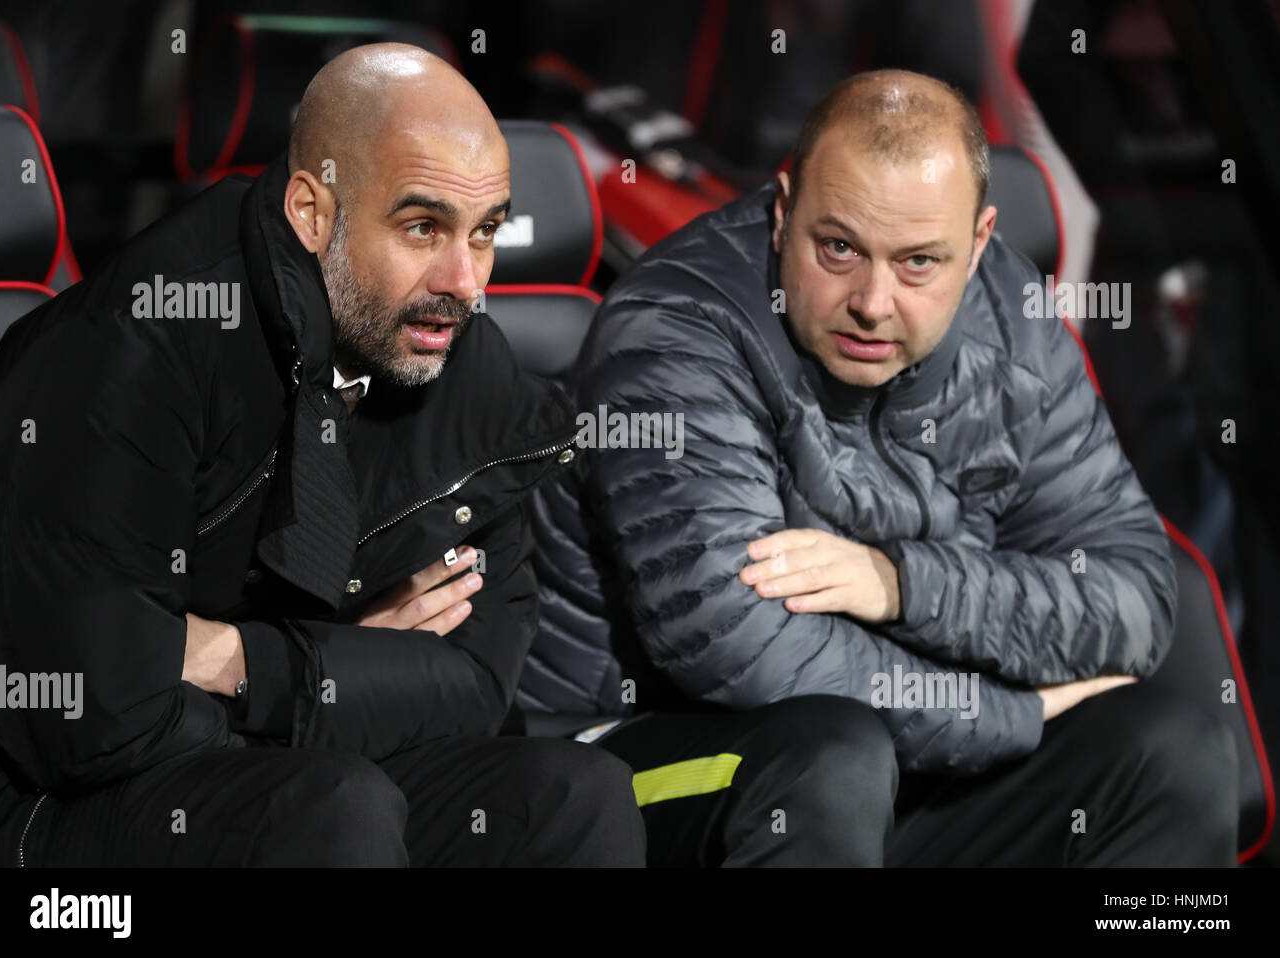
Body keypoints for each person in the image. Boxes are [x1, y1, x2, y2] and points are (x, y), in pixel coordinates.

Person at [520, 69, 1238, 866]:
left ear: (980, 243)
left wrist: (902, 583)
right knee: (832, 757)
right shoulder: (675, 332)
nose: (872, 299)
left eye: (920, 262)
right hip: (627, 758)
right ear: (784, 209)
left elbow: (1132, 599)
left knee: (1170, 752)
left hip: (895, 751)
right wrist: (1014, 717)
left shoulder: (1015, 322)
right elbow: (740, 644)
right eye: (838, 248)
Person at [0, 44, 645, 867]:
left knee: (574, 795)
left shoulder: (460, 359)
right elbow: (89, 716)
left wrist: (243, 661)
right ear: (311, 210)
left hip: (290, 758)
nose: (466, 281)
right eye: (423, 227)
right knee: (334, 809)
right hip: (47, 815)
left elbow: (477, 683)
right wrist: (356, 664)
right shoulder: (141, 342)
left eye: (485, 233)